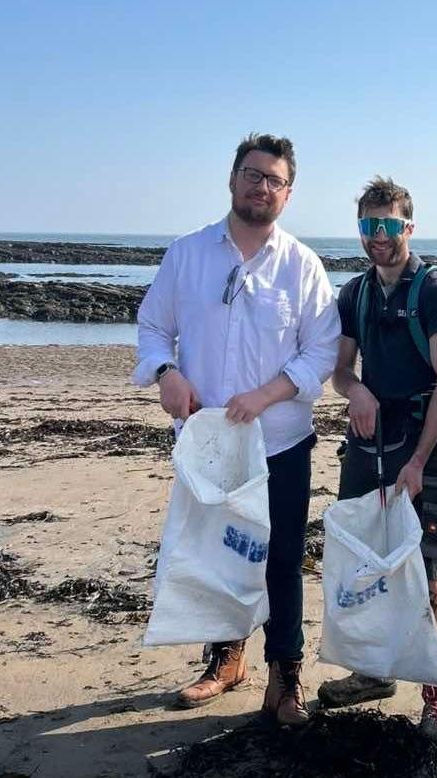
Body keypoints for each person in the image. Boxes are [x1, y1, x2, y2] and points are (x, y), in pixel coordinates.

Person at [133, 133, 340, 726]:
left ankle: (286, 674)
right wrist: (167, 373)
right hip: (208, 445)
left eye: (274, 180)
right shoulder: (188, 254)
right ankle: (225, 660)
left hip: (280, 441)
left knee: (280, 558)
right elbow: (152, 326)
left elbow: (321, 350)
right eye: (253, 175)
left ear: (288, 193)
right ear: (232, 179)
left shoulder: (302, 264)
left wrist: (267, 393)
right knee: (218, 554)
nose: (262, 187)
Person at [315, 176, 437, 750]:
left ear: (409, 226)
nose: (378, 236)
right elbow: (341, 370)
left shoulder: (434, 292)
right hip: (365, 448)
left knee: (426, 573)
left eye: (389, 225)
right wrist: (356, 392)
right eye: (368, 226)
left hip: (420, 448)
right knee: (366, 561)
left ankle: (436, 695)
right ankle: (374, 672)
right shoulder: (354, 293)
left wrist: (420, 460)